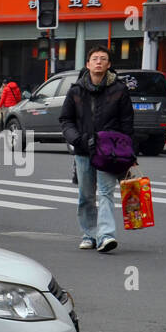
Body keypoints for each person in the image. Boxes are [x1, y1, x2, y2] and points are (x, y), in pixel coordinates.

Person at [59, 44, 133, 253]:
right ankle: (89, 234)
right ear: (88, 64)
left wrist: (128, 151)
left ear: (109, 64)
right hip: (84, 150)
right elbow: (66, 119)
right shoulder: (76, 90)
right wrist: (77, 140)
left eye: (103, 59)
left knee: (106, 192)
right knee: (86, 195)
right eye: (95, 59)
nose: (98, 62)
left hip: (109, 152)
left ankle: (106, 236)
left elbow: (127, 122)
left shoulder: (119, 89)